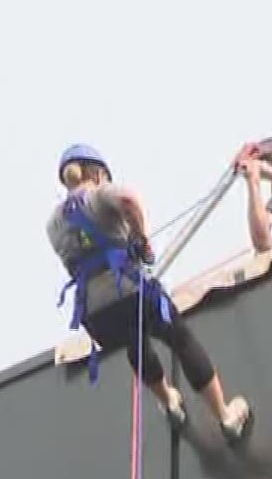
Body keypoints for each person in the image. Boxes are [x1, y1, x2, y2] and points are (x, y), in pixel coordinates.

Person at [48, 143, 253, 438]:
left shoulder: (52, 224)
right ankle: (225, 416)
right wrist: (141, 239)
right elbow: (129, 199)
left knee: (136, 343)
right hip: (129, 290)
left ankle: (169, 402)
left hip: (95, 313)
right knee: (179, 337)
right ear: (96, 172)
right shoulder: (99, 193)